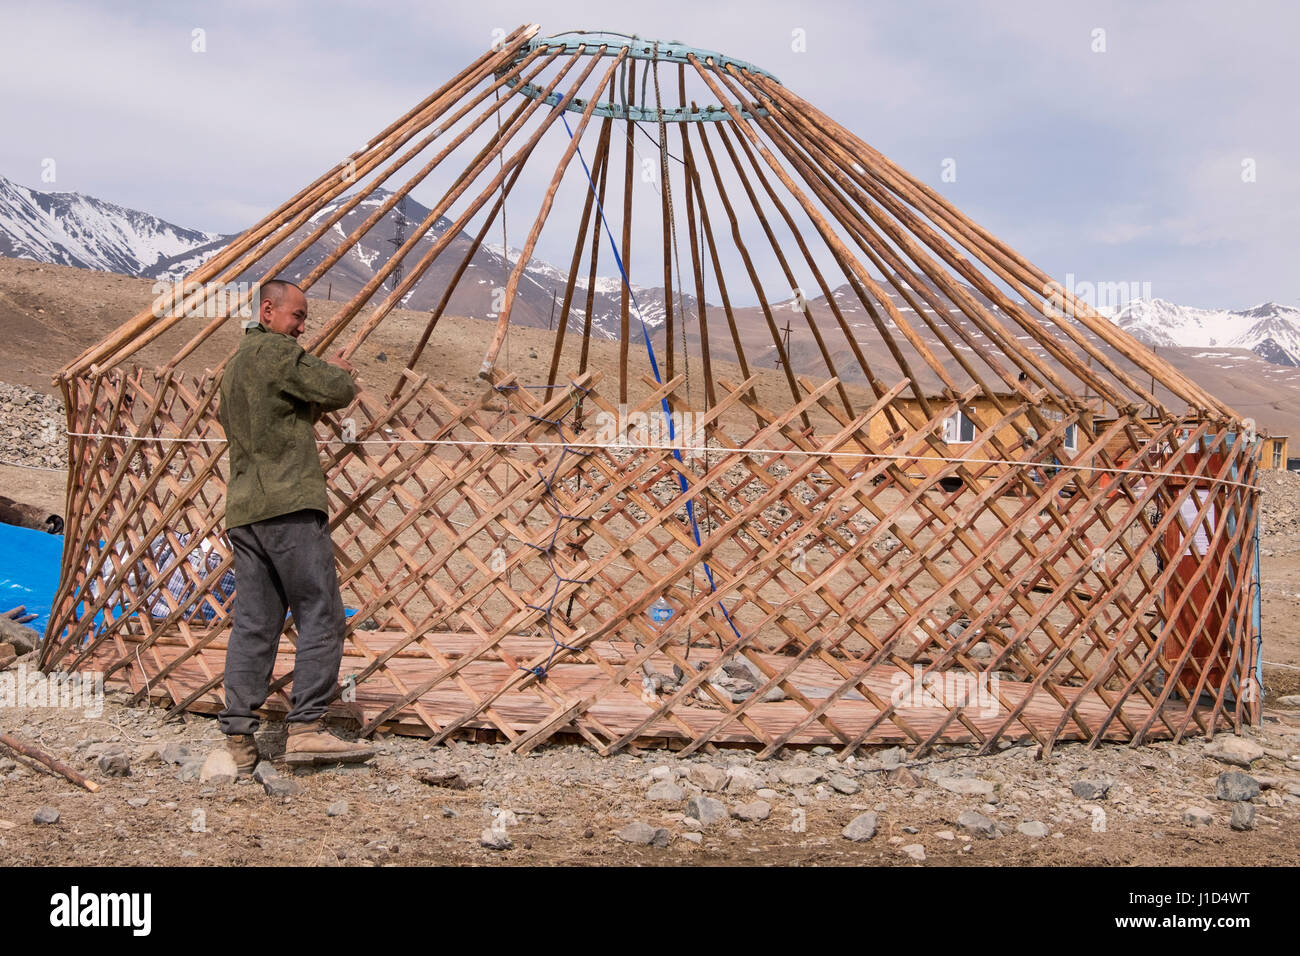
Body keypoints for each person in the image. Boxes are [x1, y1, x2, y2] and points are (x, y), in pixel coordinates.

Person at [216, 278, 374, 771]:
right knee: (321, 612)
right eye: (297, 317)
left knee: (254, 624)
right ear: (268, 311)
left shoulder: (236, 366)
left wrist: (322, 381)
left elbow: (292, 403)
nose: (302, 328)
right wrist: (342, 372)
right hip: (288, 507)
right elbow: (335, 388)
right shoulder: (277, 353)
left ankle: (239, 737)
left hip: (245, 511)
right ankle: (306, 727)